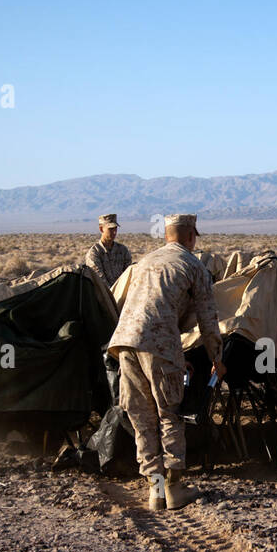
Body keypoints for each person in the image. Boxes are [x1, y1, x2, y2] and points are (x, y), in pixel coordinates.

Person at [107, 214, 225, 510]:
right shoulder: (194, 266)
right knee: (169, 413)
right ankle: (174, 490)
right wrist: (217, 360)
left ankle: (154, 492)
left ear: (166, 236)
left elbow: (133, 305)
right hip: (159, 344)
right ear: (189, 236)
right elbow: (209, 321)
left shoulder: (145, 262)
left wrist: (173, 356)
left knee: (141, 418)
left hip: (125, 343)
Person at [84, 213, 132, 289]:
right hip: (103, 296)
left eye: (115, 228)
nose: (114, 232)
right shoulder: (94, 253)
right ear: (101, 229)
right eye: (110, 229)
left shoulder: (123, 250)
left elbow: (129, 274)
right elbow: (99, 280)